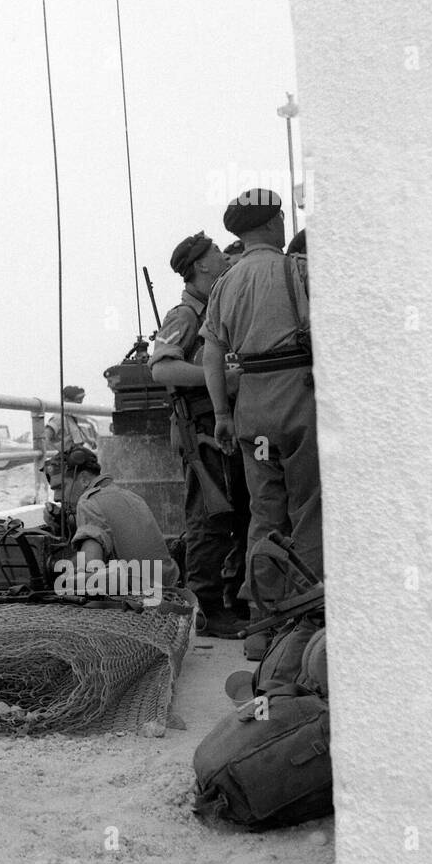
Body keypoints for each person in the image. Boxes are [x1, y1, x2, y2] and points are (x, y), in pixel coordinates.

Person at [201, 188, 322, 655]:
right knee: (308, 510)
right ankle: (307, 623)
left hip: (251, 405)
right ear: (273, 223)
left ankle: (260, 625)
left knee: (263, 513)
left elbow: (213, 354)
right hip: (297, 397)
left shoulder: (225, 284)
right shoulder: (298, 270)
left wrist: (223, 415)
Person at [149, 231, 251, 637]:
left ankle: (225, 596)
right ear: (202, 265)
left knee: (233, 511)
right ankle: (206, 605)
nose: (223, 256)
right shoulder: (187, 315)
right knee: (208, 516)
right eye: (215, 253)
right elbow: (161, 367)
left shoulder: (215, 306)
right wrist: (220, 380)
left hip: (216, 424)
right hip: (200, 427)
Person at [42, 447, 181, 602]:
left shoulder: (88, 502)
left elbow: (91, 566)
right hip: (173, 595)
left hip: (143, 606)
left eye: (61, 487)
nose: (56, 497)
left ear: (84, 479)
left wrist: (56, 573)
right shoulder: (131, 496)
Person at [45, 386, 99, 455]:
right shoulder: (59, 418)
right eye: (77, 400)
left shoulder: (73, 419)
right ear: (66, 400)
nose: (80, 402)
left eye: (81, 399)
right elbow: (45, 438)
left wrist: (88, 440)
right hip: (65, 459)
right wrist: (57, 454)